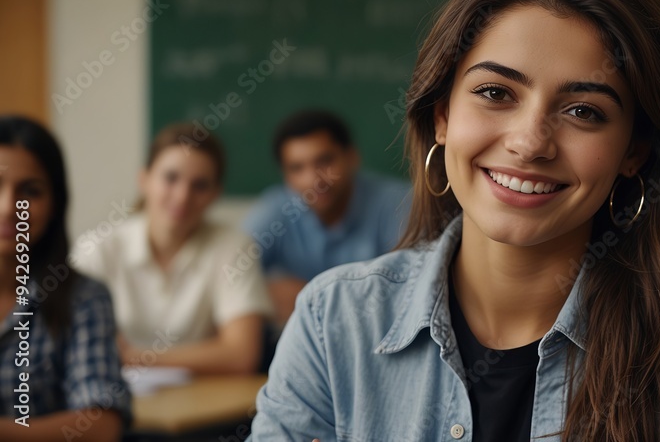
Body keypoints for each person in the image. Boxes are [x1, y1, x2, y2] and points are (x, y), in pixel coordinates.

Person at [252, 0, 660, 441]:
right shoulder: (334, 318)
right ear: (443, 117)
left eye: (584, 111)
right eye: (495, 93)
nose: (529, 142)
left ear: (634, 150)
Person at [72, 123, 272, 374]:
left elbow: (242, 355)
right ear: (144, 179)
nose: (182, 196)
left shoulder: (233, 247)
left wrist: (134, 357)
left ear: (215, 194)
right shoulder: (98, 248)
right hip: (114, 404)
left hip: (206, 407)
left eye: (200, 185)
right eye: (170, 178)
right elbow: (72, 347)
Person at [0, 116, 131, 441]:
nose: (7, 207)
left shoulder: (82, 298)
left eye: (30, 191)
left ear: (55, 205)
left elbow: (100, 425)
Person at [243, 110, 411, 325]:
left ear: (352, 157)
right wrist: (263, 290)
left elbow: (412, 289)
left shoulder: (400, 204)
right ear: (285, 175)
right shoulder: (276, 209)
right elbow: (228, 272)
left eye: (324, 161)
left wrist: (311, 296)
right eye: (297, 168)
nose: (314, 179)